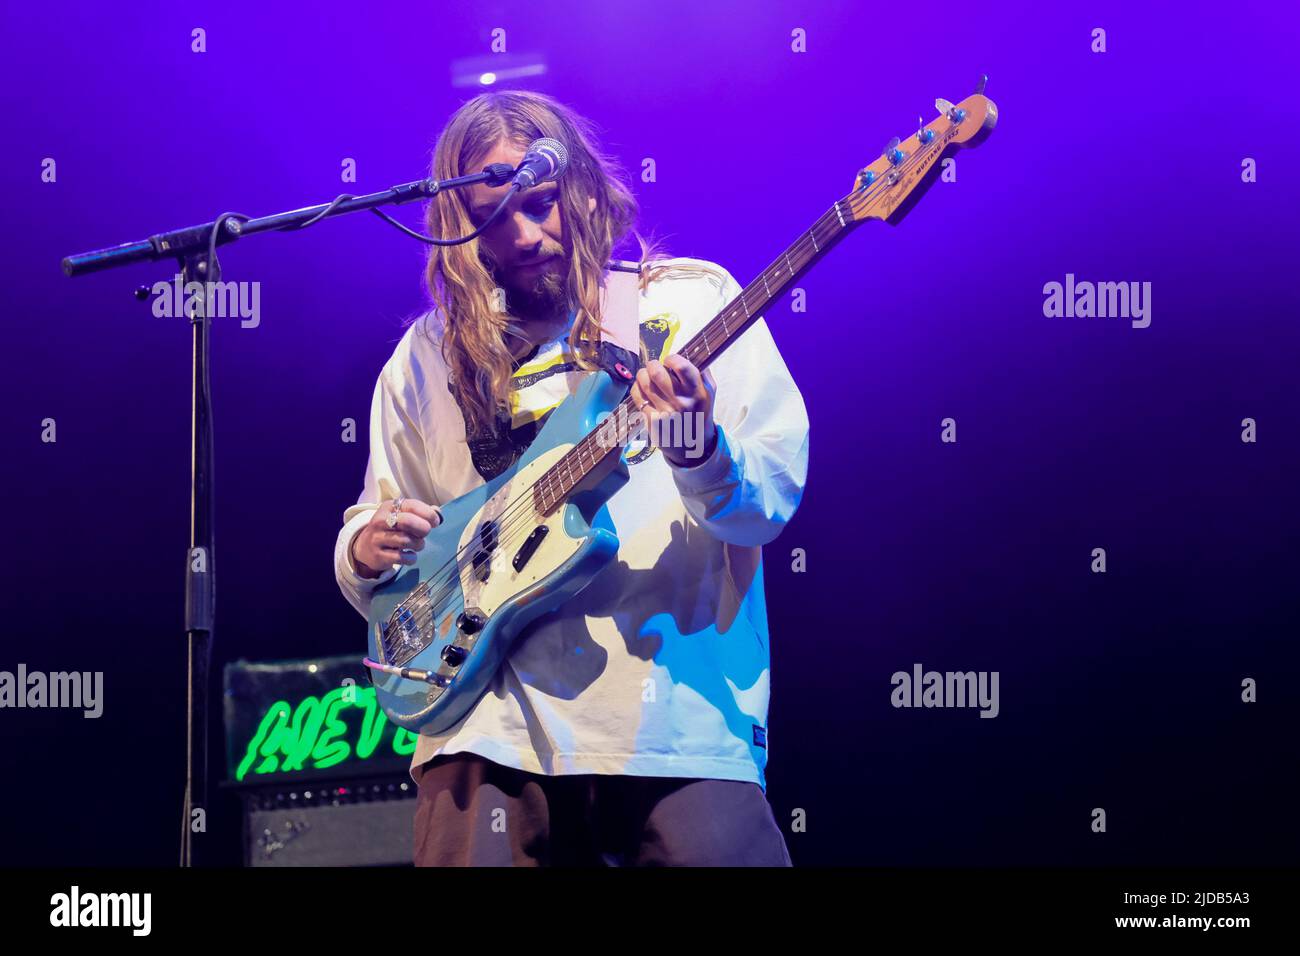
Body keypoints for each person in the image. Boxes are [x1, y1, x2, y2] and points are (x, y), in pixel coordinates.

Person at [333, 90, 809, 866]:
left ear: (582, 187)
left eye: (542, 203)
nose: (524, 236)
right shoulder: (424, 355)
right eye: (493, 220)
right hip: (484, 729)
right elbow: (374, 543)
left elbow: (767, 507)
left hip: (674, 722)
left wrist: (697, 448)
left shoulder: (689, 304)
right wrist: (364, 548)